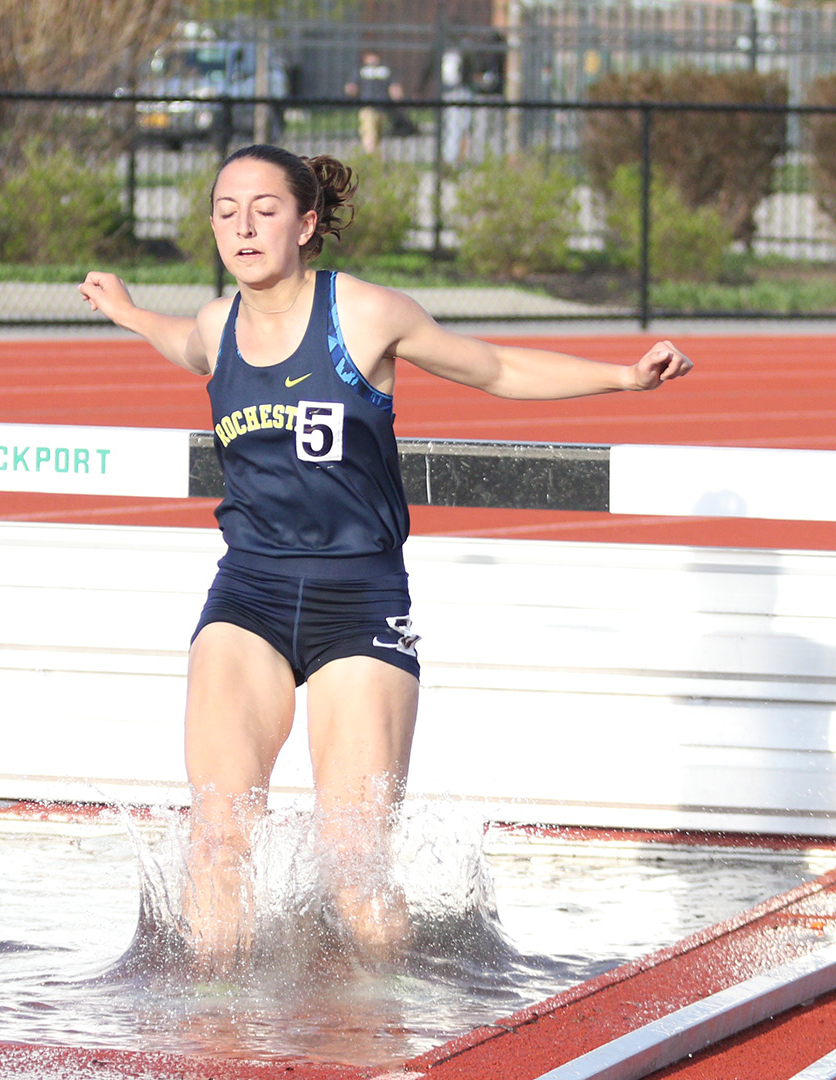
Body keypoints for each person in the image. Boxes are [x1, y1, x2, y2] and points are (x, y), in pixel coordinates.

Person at [78, 145, 691, 972]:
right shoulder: (218, 323)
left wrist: (623, 378)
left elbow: (497, 366)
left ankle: (385, 1032)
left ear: (306, 222)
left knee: (356, 875)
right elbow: (182, 344)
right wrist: (127, 311)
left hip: (359, 605)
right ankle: (214, 1028)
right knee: (218, 840)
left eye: (263, 208)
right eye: (226, 210)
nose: (242, 226)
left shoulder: (364, 316)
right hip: (247, 596)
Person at [344, 50, 402, 154]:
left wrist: (397, 95)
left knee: (379, 134)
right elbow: (352, 86)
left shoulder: (385, 70)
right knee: (369, 131)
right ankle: (370, 155)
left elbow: (394, 86)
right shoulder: (361, 70)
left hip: (383, 108)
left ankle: (375, 157)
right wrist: (350, 89)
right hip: (367, 107)